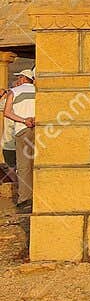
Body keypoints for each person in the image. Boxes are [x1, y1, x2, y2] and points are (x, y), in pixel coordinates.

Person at [5, 67, 35, 211]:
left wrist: (24, 120)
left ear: (23, 78)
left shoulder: (15, 92)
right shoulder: (39, 91)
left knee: (24, 166)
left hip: (23, 130)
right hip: (39, 129)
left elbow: (7, 112)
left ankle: (25, 198)